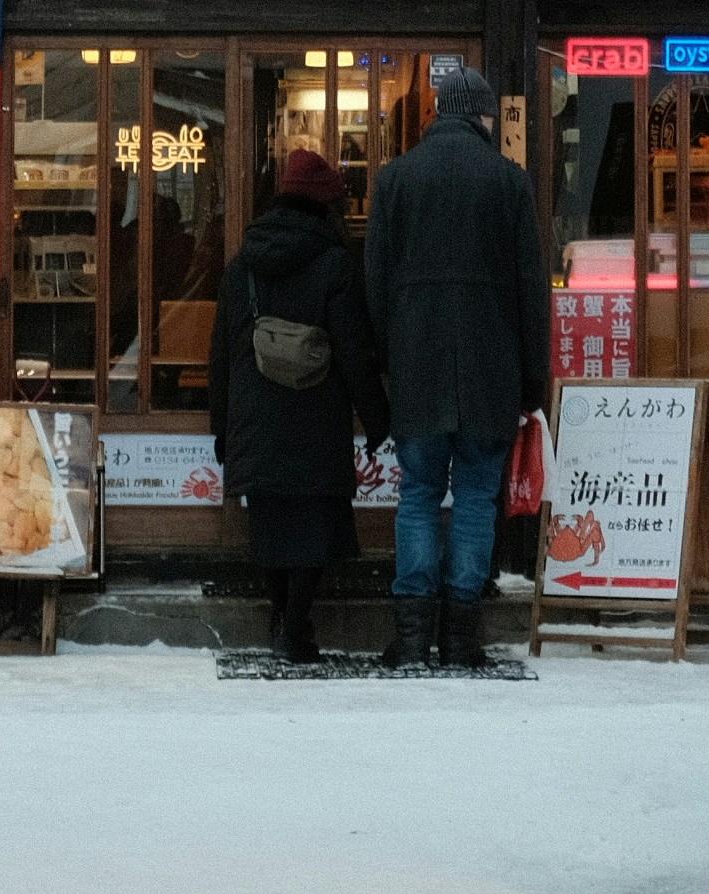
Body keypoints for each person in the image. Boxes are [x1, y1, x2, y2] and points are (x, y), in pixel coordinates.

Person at [362, 66, 547, 668]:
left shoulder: (396, 181)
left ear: (440, 113)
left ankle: (413, 634)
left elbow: (376, 287)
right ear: (480, 115)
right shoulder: (509, 183)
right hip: (491, 371)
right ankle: (462, 638)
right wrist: (532, 382)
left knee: (417, 494)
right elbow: (530, 293)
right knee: (473, 498)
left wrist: (383, 367)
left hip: (416, 369)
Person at [213, 145, 383, 665]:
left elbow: (221, 350)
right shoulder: (334, 263)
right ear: (325, 205)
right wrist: (376, 418)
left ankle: (281, 613)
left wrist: (222, 425)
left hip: (256, 417)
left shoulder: (244, 264)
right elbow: (354, 349)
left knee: (270, 522)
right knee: (315, 523)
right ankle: (296, 624)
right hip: (316, 415)